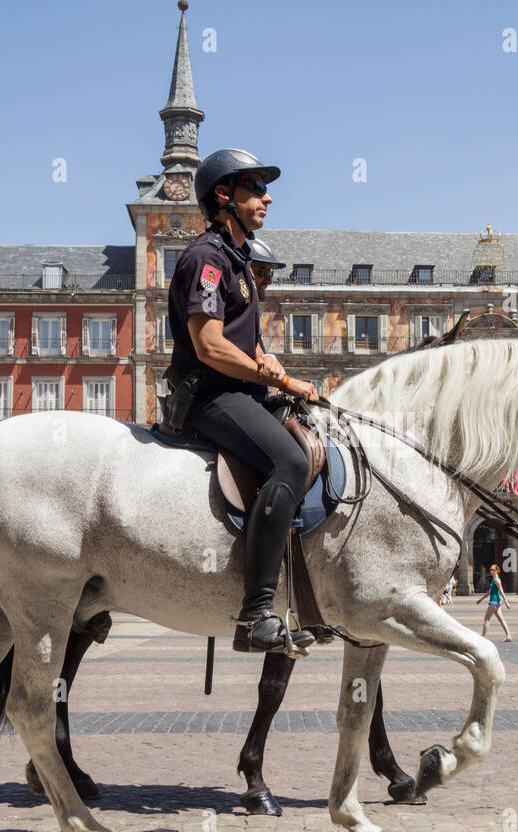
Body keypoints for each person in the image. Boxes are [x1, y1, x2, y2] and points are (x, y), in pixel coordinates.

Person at [162, 147, 318, 655]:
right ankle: (255, 614)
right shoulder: (205, 259)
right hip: (211, 395)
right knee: (289, 461)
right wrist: (278, 378)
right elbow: (209, 345)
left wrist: (279, 374)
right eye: (255, 189)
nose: (267, 198)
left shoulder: (238, 262)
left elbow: (241, 338)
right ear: (224, 196)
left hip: (241, 389)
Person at [476, 563, 512, 642]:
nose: (491, 571)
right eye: (490, 570)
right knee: (501, 619)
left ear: (496, 570)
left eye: (493, 570)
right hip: (497, 602)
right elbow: (489, 592)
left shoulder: (496, 580)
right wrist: (481, 599)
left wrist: (506, 602)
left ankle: (483, 636)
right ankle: (508, 635)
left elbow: (501, 591)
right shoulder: (494, 579)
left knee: (487, 619)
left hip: (494, 602)